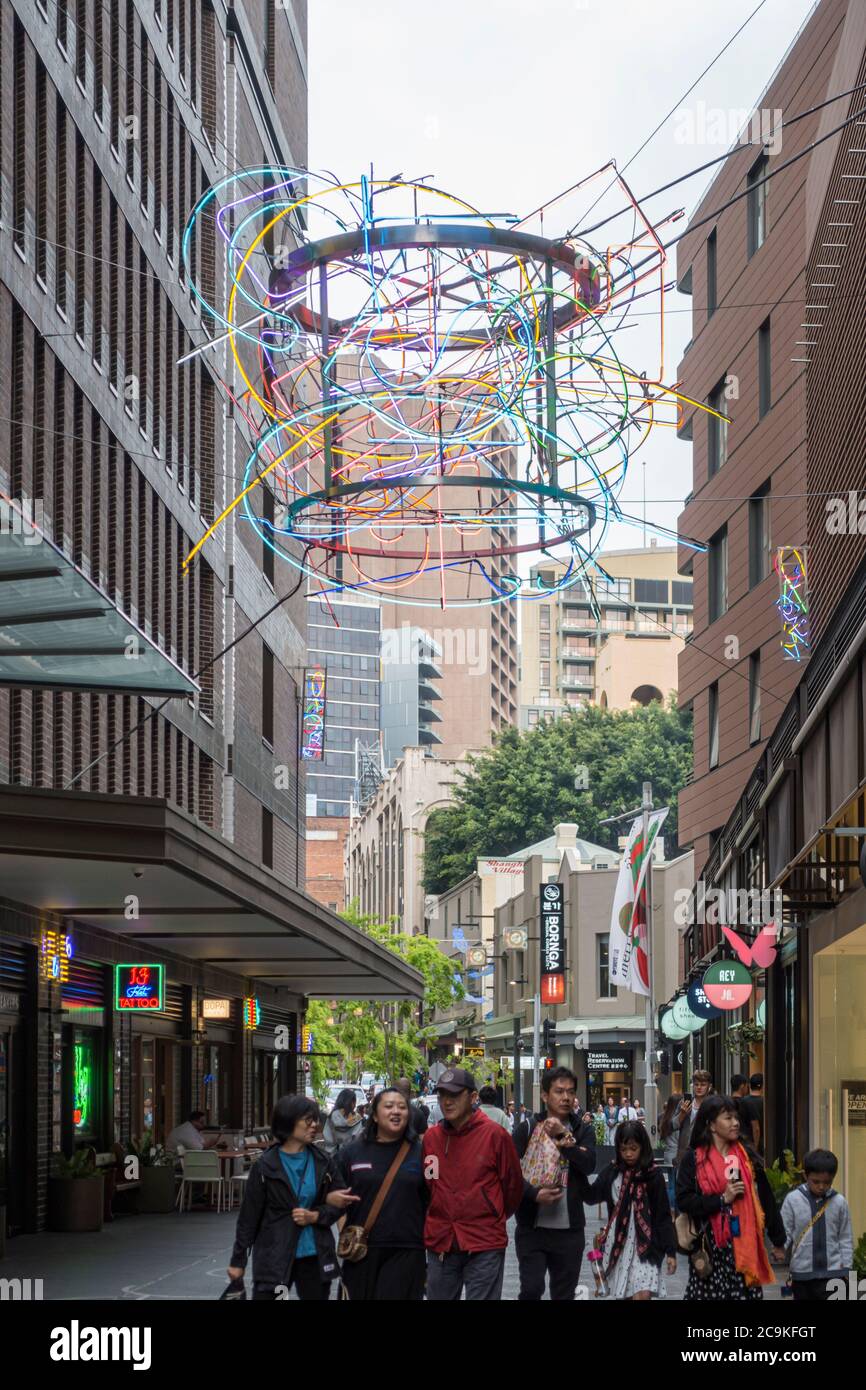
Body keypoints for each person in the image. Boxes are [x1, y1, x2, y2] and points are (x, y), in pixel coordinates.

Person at [227, 1094, 352, 1300]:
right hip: (274, 1255)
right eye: (308, 1120)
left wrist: (315, 1216)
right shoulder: (265, 1166)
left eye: (316, 1120)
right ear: (288, 1122)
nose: (315, 1125)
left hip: (315, 1254)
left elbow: (340, 1204)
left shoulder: (324, 1162)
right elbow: (248, 1218)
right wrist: (237, 1261)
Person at [422, 1067, 525, 1300]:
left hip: (484, 1240)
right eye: (442, 1096)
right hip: (441, 1240)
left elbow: (513, 1187)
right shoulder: (432, 1138)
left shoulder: (495, 1135)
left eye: (454, 1096)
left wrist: (491, 1211)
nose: (446, 1102)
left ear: (473, 1097)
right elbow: (429, 1183)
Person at [676, 1095, 785, 1301]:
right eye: (728, 1118)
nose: (735, 1123)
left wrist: (778, 1240)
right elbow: (684, 1200)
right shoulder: (694, 1159)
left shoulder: (746, 1157)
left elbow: (766, 1200)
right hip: (709, 1248)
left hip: (744, 1247)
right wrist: (721, 1199)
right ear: (711, 1125)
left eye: (736, 1118)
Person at [333, 1087, 428, 1301]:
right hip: (362, 1249)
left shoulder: (422, 1153)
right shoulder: (351, 1152)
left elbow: (433, 1197)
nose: (396, 1111)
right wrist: (344, 1231)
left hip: (407, 1250)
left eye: (402, 1107)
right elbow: (335, 1196)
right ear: (374, 1115)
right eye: (388, 1106)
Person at [512, 1066, 597, 1301]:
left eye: (570, 1092)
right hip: (532, 1229)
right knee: (530, 1290)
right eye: (559, 1091)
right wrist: (532, 1194)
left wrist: (563, 1136)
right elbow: (508, 1173)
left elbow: (589, 1164)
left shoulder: (582, 1129)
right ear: (545, 1095)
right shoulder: (527, 1129)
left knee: (563, 1294)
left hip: (569, 1231)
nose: (566, 1097)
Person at [580, 1121, 677, 1300]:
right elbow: (592, 1196)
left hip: (646, 1246)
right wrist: (577, 1167)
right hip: (618, 1244)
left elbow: (663, 1215)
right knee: (624, 1294)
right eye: (624, 1149)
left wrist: (671, 1251)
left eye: (633, 1148)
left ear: (643, 1147)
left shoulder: (652, 1176)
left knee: (642, 1294)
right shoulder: (612, 1171)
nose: (628, 1154)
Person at [780, 1148, 854, 1300]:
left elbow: (845, 1237)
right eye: (816, 1181)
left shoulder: (840, 1202)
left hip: (833, 1274)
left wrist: (847, 1269)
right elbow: (785, 1230)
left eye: (827, 1182)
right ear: (806, 1176)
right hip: (802, 1275)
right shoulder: (793, 1200)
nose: (821, 1186)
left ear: (833, 1178)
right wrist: (780, 1249)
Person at [675, 1070, 714, 1163]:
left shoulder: (713, 1105)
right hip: (685, 1153)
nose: (699, 1087)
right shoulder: (684, 1103)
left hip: (706, 1153)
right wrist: (682, 1114)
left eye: (703, 1084)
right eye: (696, 1084)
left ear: (709, 1086)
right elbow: (672, 1126)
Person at [322, 1088, 364, 1156]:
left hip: (332, 1155)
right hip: (350, 1156)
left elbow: (327, 1137)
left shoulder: (331, 1117)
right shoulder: (356, 1119)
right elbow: (357, 1139)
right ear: (352, 1102)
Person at [730, 1073, 761, 1149]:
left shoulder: (726, 1102)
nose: (747, 1089)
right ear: (742, 1086)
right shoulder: (748, 1103)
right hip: (746, 1144)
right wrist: (755, 1147)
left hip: (730, 1143)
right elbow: (756, 1127)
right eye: (747, 1086)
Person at [749, 1074, 764, 1154]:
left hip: (746, 1142)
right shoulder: (765, 1103)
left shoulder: (744, 1101)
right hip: (762, 1143)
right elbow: (756, 1128)